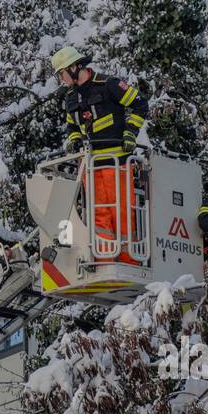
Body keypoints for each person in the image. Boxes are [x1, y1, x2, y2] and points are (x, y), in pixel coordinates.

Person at [51, 44, 149, 264]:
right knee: (98, 217)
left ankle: (127, 262)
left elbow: (140, 104)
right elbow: (72, 127)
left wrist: (130, 133)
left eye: (62, 74)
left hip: (117, 164)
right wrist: (74, 141)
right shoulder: (70, 98)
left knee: (122, 214)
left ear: (75, 67)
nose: (61, 79)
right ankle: (106, 261)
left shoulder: (109, 85)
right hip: (91, 166)